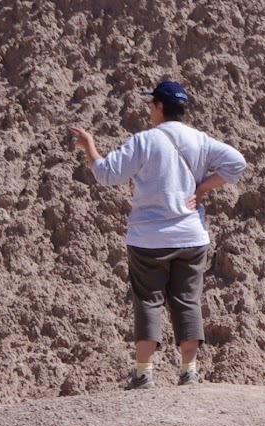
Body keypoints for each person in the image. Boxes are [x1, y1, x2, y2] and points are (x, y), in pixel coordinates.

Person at [70, 80, 247, 388]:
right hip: (191, 236)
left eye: (151, 104)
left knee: (148, 300)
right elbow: (237, 163)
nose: (149, 110)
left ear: (160, 106)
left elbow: (106, 174)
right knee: (187, 300)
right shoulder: (200, 140)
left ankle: (143, 373)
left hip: (148, 238)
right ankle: (189, 370)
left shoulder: (145, 141)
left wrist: (90, 147)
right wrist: (202, 188)